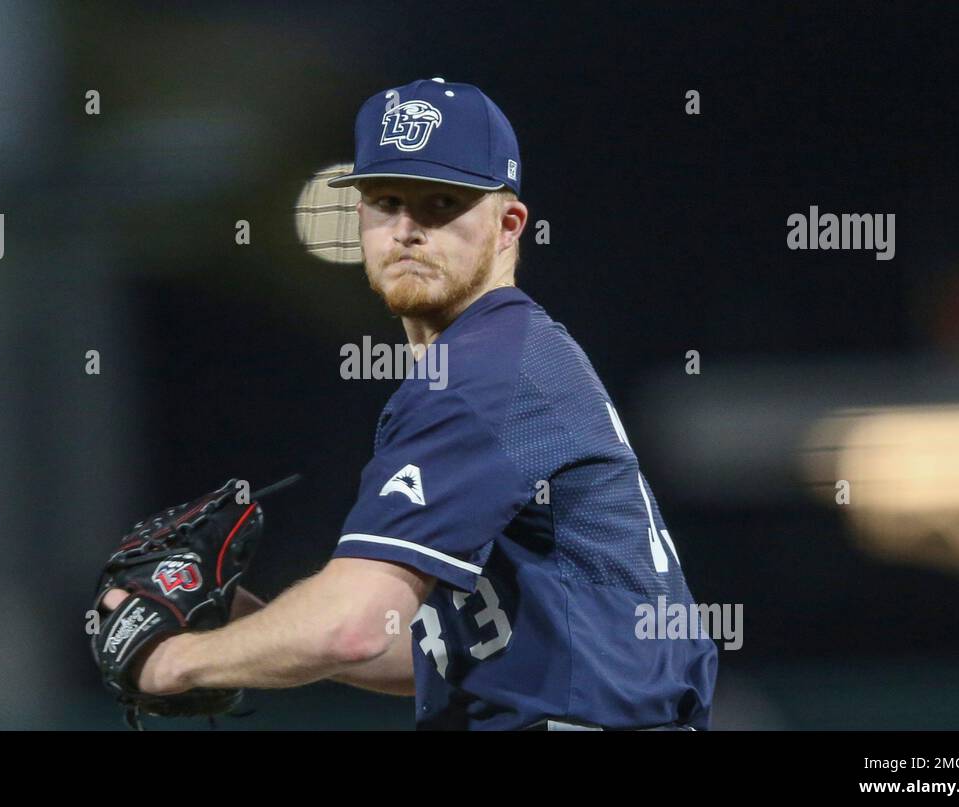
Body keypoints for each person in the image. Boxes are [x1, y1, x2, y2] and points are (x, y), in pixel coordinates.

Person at [100, 78, 717, 730]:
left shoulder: (486, 372)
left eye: (440, 203)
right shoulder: (510, 357)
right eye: (386, 201)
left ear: (508, 226)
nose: (406, 229)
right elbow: (421, 647)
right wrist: (244, 623)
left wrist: (177, 660)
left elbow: (351, 627)